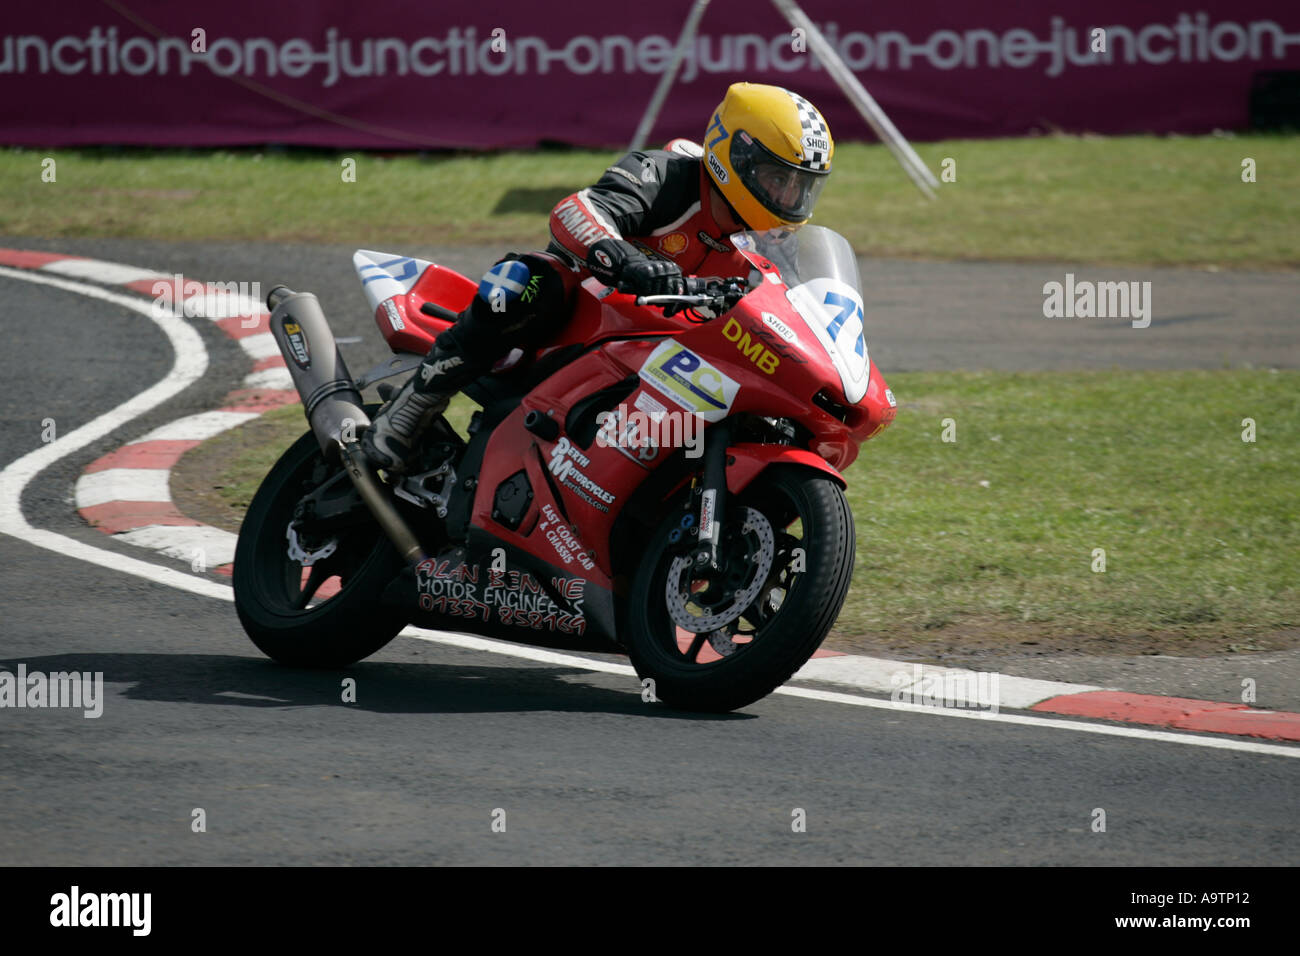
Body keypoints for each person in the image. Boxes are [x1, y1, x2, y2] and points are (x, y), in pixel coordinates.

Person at [360, 81, 835, 474]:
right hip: (584, 320)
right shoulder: (668, 175)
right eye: (778, 178)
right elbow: (577, 209)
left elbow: (791, 309)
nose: (788, 196)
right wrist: (626, 258)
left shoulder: (771, 241)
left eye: (800, 186)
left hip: (676, 353)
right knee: (524, 281)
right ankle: (415, 404)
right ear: (738, 156)